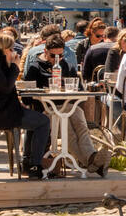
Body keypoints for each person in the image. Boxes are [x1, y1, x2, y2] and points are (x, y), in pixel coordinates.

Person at [0, 32, 51, 179]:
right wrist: (15, 67)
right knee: (43, 122)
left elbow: (0, 90)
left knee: (35, 118)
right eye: (11, 49)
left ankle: (28, 162)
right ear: (4, 49)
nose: (14, 52)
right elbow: (5, 87)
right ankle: (34, 164)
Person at [23, 36, 110, 176]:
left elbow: (79, 88)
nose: (56, 59)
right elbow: (27, 95)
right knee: (68, 126)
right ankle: (90, 160)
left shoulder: (66, 65)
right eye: (52, 55)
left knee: (79, 119)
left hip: (66, 106)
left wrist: (67, 86)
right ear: (45, 51)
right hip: (46, 109)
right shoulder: (35, 67)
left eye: (60, 55)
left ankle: (91, 159)